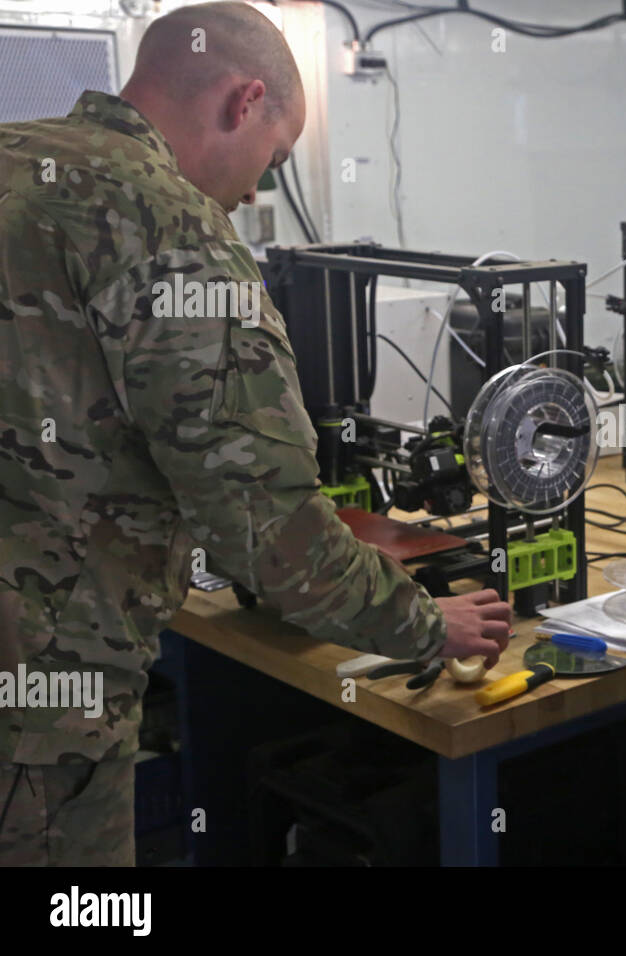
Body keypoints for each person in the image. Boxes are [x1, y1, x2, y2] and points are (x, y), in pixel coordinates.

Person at [0, 1, 511, 866]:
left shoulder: (16, 156)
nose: (251, 195)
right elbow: (268, 536)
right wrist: (427, 625)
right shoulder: (172, 232)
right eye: (272, 160)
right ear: (244, 100)